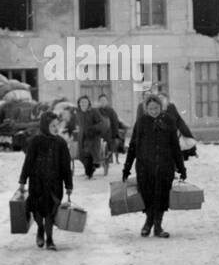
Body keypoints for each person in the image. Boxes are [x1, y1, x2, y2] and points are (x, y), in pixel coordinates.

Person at [123, 93, 187, 238]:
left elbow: (175, 147)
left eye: (156, 108)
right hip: (145, 167)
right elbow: (133, 146)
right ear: (146, 108)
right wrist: (126, 168)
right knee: (147, 195)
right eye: (151, 108)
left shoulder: (169, 121)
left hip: (165, 167)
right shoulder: (141, 122)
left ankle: (157, 226)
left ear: (161, 107)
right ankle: (148, 222)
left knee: (162, 196)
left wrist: (181, 168)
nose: (154, 111)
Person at [17, 110, 73, 251]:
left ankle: (50, 240)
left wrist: (69, 184)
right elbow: (28, 162)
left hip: (54, 185)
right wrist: (23, 180)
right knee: (37, 211)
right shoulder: (36, 141)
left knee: (50, 212)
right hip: (37, 183)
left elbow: (66, 166)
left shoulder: (61, 143)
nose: (56, 128)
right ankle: (40, 229)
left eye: (57, 125)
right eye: (52, 125)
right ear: (45, 125)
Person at [75, 95, 108, 179]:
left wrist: (93, 129)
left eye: (85, 102)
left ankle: (89, 173)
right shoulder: (78, 112)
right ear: (79, 103)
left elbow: (101, 123)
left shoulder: (94, 111)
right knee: (83, 156)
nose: (83, 104)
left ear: (89, 103)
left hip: (92, 137)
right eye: (81, 102)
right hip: (82, 138)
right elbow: (77, 124)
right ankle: (90, 171)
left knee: (89, 154)